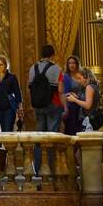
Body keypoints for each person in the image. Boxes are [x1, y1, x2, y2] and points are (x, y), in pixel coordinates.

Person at [27, 44, 62, 172]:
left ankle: (38, 167)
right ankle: (50, 168)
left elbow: (29, 88)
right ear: (52, 55)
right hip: (53, 104)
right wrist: (64, 106)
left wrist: (32, 104)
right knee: (51, 136)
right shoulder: (56, 69)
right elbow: (60, 90)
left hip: (38, 105)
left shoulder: (33, 68)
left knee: (39, 137)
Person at [61, 56, 93, 135]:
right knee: (71, 128)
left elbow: (86, 87)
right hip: (71, 105)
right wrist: (69, 94)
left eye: (74, 63)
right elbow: (62, 93)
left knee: (81, 128)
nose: (72, 65)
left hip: (83, 104)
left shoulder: (81, 74)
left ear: (77, 64)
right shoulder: (65, 76)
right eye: (69, 63)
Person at [0, 56, 21, 133]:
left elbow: (17, 93)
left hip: (8, 108)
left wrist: (19, 107)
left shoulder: (12, 77)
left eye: (1, 65)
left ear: (5, 65)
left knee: (7, 130)